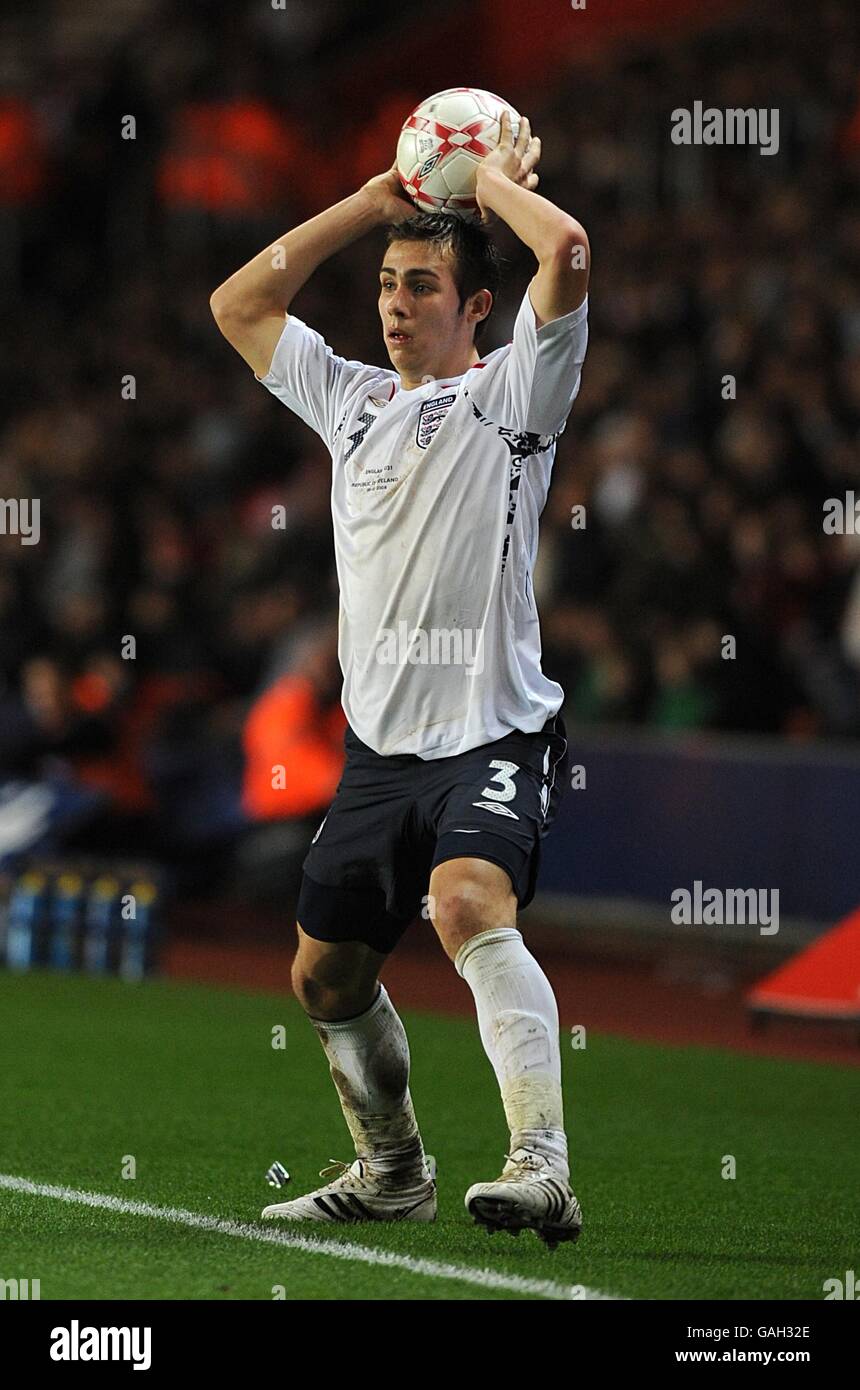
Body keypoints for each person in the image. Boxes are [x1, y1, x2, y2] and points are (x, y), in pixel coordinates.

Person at [210, 111, 590, 1248]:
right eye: (384, 281)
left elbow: (564, 252)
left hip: (489, 733)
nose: (390, 301)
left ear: (476, 307)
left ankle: (542, 1164)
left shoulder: (515, 397)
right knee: (322, 979)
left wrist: (486, 186)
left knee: (467, 903)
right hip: (379, 753)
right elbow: (237, 304)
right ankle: (392, 1169)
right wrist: (375, 203)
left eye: (420, 283)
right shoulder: (353, 403)